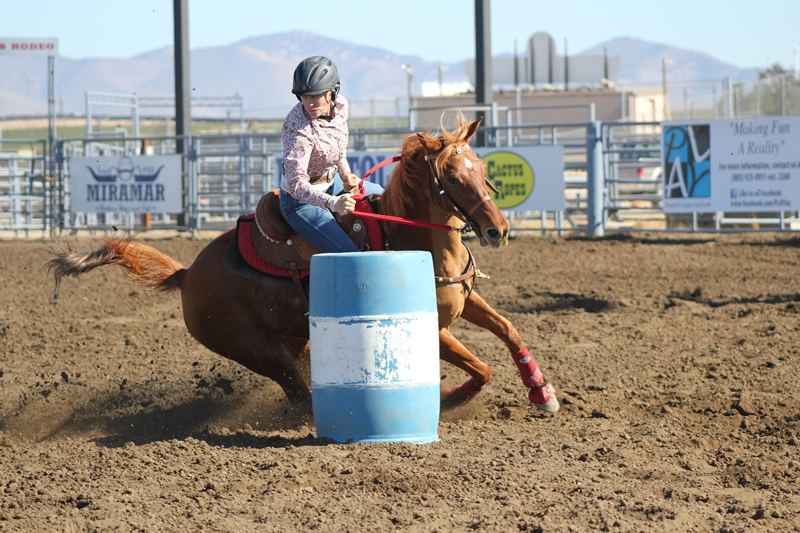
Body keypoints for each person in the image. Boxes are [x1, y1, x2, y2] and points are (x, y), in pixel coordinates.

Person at [279, 56, 384, 253]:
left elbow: (336, 146)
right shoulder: (298, 128)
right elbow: (296, 185)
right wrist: (332, 202)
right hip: (301, 202)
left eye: (315, 96)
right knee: (349, 254)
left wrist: (345, 175)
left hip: (333, 183)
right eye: (304, 96)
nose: (308, 103)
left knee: (384, 196)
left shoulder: (341, 106)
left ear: (332, 93)